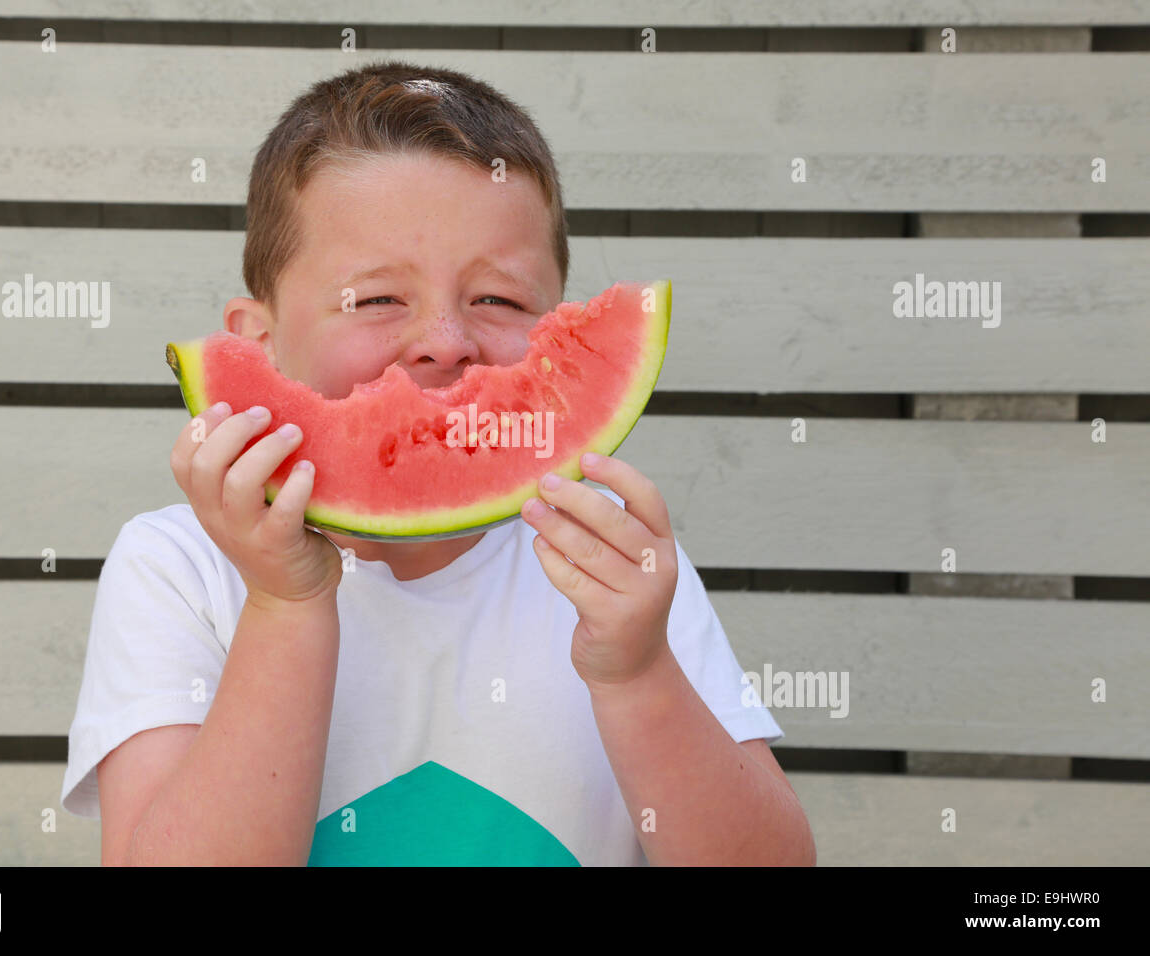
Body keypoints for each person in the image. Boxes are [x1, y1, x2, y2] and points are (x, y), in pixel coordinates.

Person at [61, 59, 813, 866]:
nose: (447, 341)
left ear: (561, 329)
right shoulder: (179, 570)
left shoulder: (614, 573)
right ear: (258, 347)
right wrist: (284, 605)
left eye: (499, 300)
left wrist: (638, 676)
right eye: (378, 299)